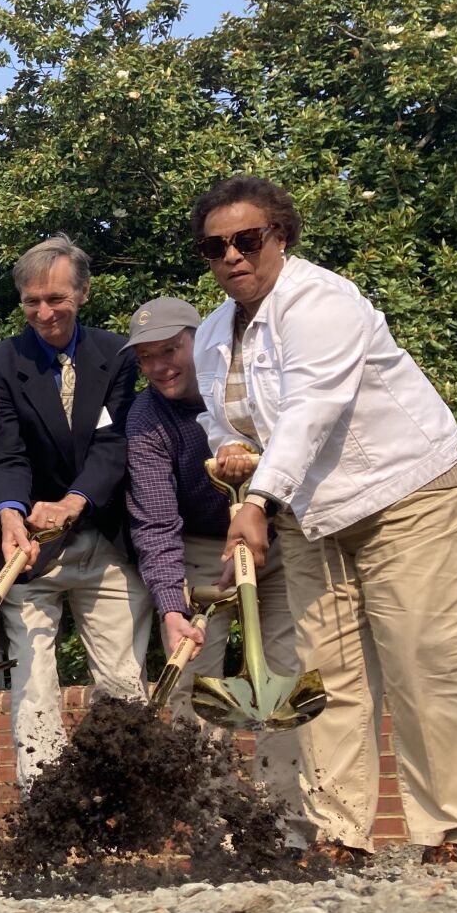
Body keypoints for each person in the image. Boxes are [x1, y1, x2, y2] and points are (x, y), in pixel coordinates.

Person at [190, 174, 457, 866]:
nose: (232, 255)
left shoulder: (321, 302)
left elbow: (311, 409)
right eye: (215, 246)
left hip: (406, 493)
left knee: (418, 661)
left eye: (247, 239)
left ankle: (442, 834)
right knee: (326, 673)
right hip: (311, 514)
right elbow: (225, 422)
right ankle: (341, 832)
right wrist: (231, 455)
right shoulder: (211, 335)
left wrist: (257, 502)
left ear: (280, 236)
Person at [122, 297, 306, 830]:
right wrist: (171, 605)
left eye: (170, 350)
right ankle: (210, 827)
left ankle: (285, 825)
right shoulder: (146, 418)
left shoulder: (245, 387)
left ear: (198, 340)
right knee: (193, 682)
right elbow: (155, 522)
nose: (160, 367)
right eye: (147, 357)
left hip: (280, 537)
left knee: (284, 674)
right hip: (202, 548)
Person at [0, 234, 152, 791]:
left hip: (105, 539)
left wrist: (75, 502)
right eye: (32, 301)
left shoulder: (117, 354)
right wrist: (10, 512)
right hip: (31, 550)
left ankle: (126, 806)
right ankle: (45, 806)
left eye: (56, 298)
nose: (44, 312)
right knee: (33, 683)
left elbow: (115, 441)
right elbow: (6, 451)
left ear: (83, 293)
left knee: (124, 681)